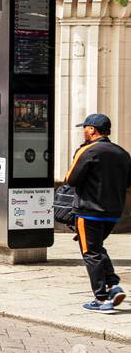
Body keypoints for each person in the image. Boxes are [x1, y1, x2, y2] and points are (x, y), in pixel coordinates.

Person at [68, 115, 130, 312]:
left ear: (93, 130)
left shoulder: (87, 150)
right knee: (97, 248)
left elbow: (71, 179)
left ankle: (101, 298)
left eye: (85, 128)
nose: (83, 131)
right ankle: (113, 286)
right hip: (113, 212)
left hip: (89, 211)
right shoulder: (123, 153)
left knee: (90, 253)